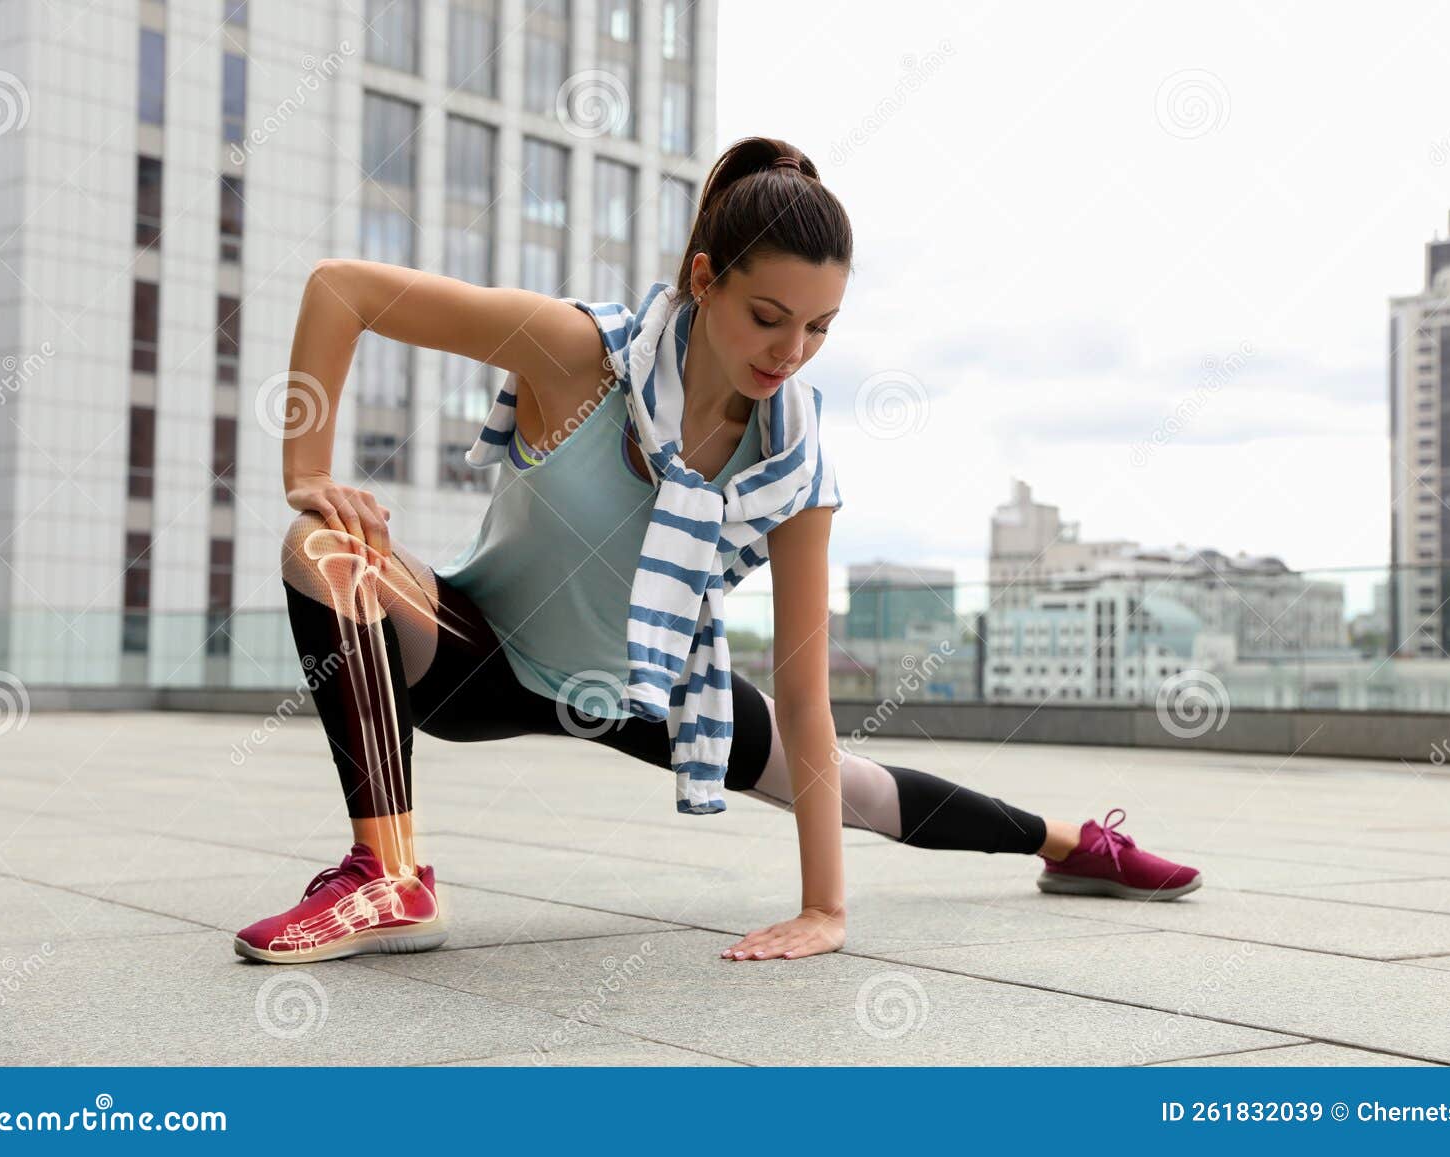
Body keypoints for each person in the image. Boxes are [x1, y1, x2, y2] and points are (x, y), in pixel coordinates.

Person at [233, 136, 1201, 967]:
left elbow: (806, 700)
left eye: (819, 328)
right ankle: (390, 874)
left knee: (859, 790)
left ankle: (1074, 844)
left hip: (649, 685)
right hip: (472, 657)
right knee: (322, 546)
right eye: (768, 317)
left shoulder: (792, 466)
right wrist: (305, 470)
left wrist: (825, 909)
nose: (791, 352)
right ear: (704, 279)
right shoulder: (579, 356)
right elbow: (342, 290)